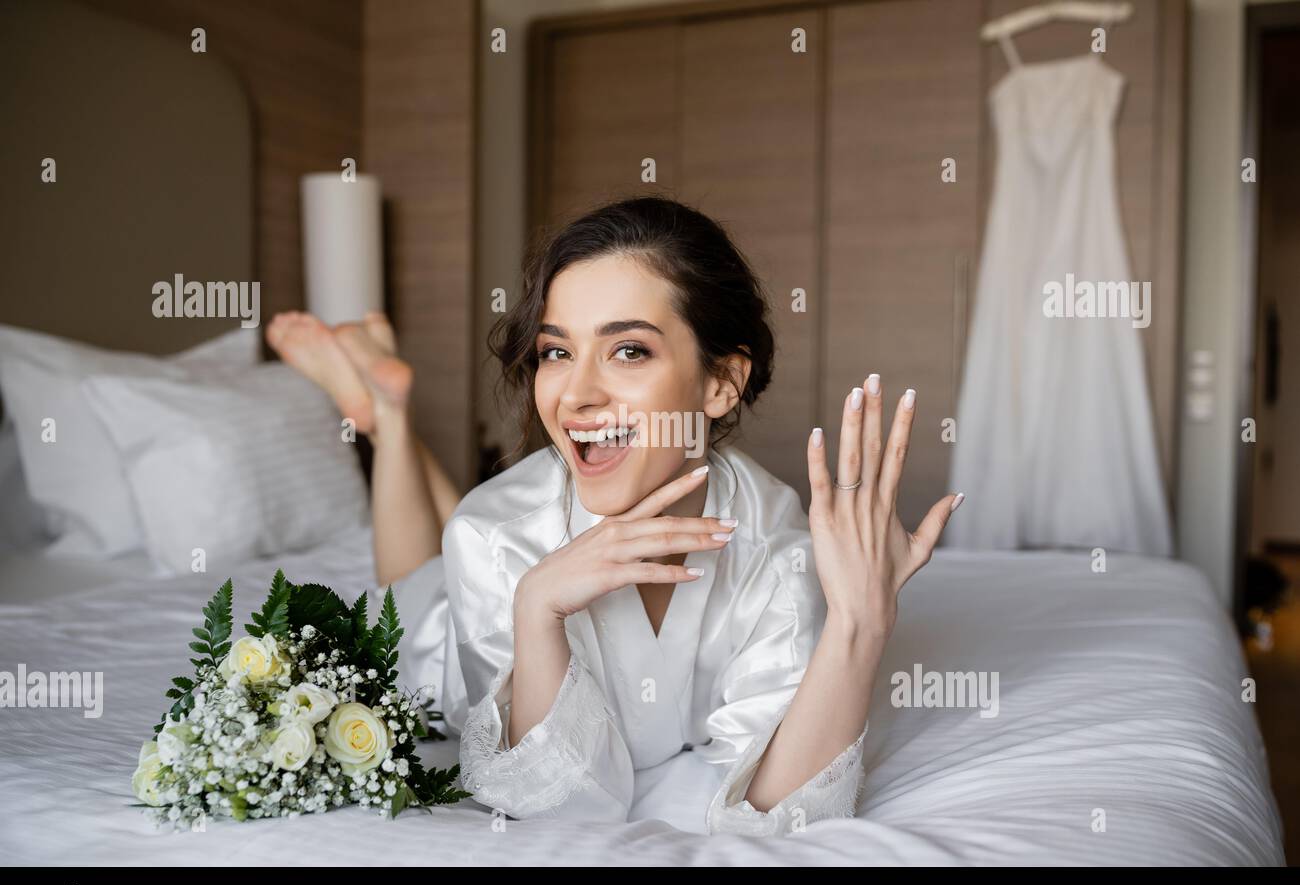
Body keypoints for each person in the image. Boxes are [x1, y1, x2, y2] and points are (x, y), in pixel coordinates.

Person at [268, 196, 963, 837]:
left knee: (455, 536)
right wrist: (538, 608)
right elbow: (556, 809)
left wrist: (861, 621)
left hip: (498, 525)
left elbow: (774, 813)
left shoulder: (774, 535)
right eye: (556, 352)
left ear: (722, 382)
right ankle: (388, 416)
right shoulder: (492, 535)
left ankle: (386, 402)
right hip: (442, 634)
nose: (576, 394)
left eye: (628, 350)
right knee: (409, 583)